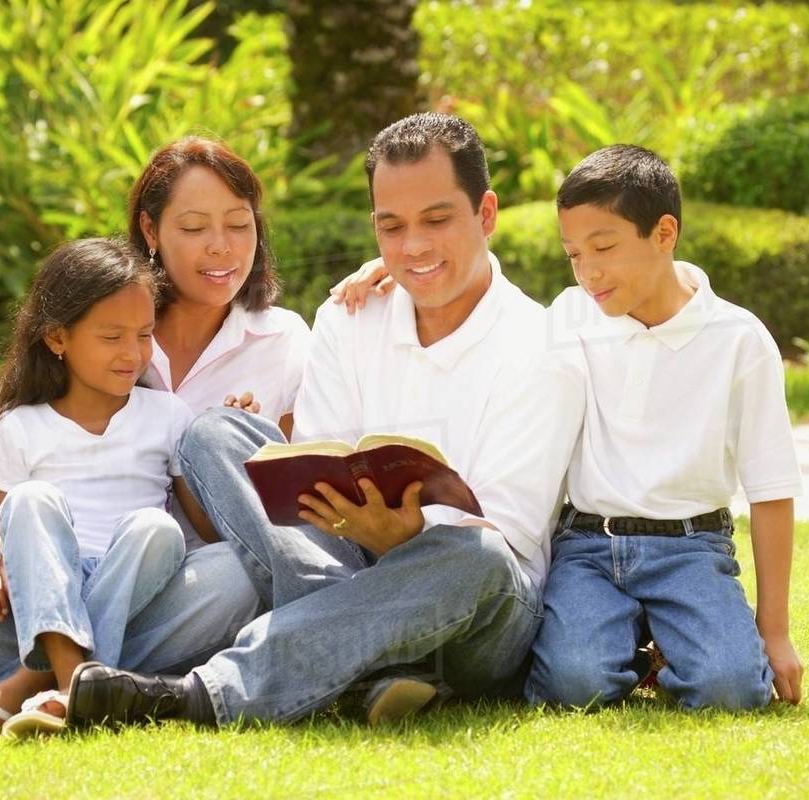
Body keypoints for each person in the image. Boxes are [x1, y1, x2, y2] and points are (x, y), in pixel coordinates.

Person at [58, 112, 585, 729]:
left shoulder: (543, 346)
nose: (413, 247)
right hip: (348, 561)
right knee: (214, 434)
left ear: (485, 214)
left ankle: (198, 695)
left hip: (474, 605)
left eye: (436, 220)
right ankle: (375, 668)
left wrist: (402, 535)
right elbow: (310, 478)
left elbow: (510, 530)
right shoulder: (349, 317)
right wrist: (353, 521)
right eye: (392, 226)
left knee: (479, 555)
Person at [0, 138, 309, 725]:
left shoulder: (284, 341)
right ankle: (101, 682)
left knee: (239, 578)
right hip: (49, 576)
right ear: (150, 230)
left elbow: (288, 495)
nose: (221, 246)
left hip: (181, 589)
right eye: (194, 227)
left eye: (239, 224)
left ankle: (12, 687)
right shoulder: (104, 304)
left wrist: (237, 440)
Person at [522, 144, 805, 709]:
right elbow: (484, 308)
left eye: (604, 248)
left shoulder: (739, 339)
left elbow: (771, 489)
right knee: (572, 684)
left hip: (691, 548)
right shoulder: (569, 316)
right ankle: (638, 651)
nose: (588, 272)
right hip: (588, 547)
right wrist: (390, 275)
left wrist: (774, 632)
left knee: (730, 690)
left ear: (664, 233)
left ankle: (671, 644)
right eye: (574, 254)